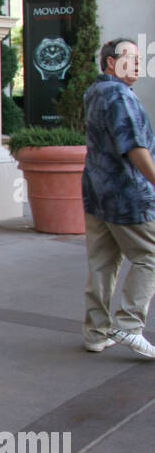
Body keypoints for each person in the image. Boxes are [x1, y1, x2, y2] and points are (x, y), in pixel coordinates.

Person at [82, 37, 155, 357]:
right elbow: (133, 146)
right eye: (130, 57)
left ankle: (96, 332)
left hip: (97, 194)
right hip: (126, 196)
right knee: (149, 255)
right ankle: (129, 324)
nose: (138, 63)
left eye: (139, 58)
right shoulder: (119, 95)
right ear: (111, 62)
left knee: (102, 263)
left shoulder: (95, 92)